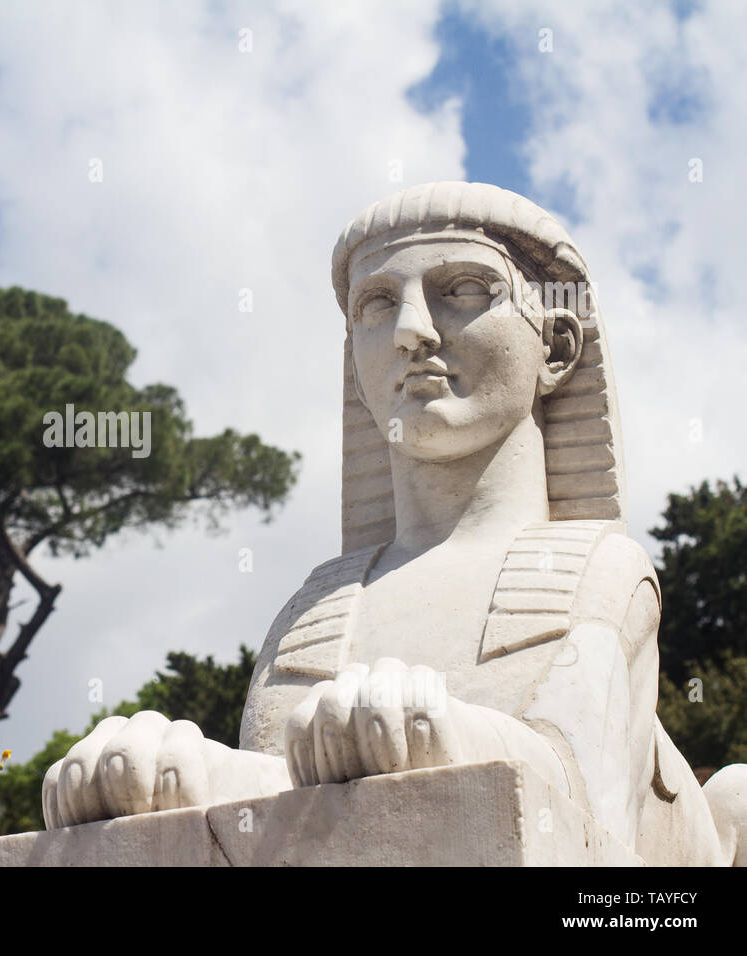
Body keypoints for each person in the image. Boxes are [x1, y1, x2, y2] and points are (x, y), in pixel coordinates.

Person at [42, 182, 746, 865]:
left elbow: (573, 798)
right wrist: (183, 772)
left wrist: (441, 732)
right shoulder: (315, 608)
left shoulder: (606, 574)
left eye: (465, 289)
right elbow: (281, 804)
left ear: (557, 348)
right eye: (377, 304)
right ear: (355, 367)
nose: (411, 330)